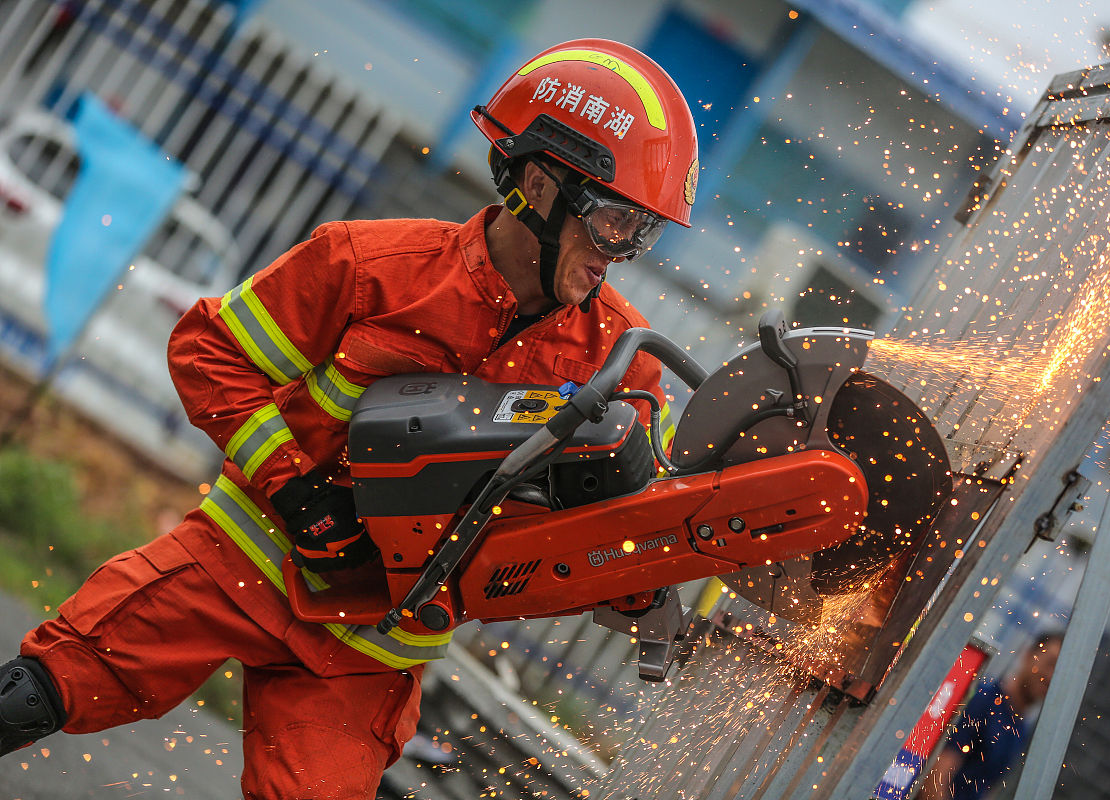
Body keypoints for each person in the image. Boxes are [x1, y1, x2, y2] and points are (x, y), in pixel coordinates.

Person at [0, 38, 699, 799]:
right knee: (43, 689)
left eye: (643, 234)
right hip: (240, 561)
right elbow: (210, 350)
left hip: (366, 652)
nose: (621, 255)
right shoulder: (373, 267)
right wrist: (295, 491)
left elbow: (628, 520)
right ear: (539, 184)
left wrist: (642, 581)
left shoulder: (622, 365)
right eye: (615, 223)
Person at [917, 631, 1065, 800]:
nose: (1051, 677)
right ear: (1028, 655)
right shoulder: (982, 700)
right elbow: (933, 778)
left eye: (1060, 675)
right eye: (1050, 664)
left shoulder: (1020, 730)